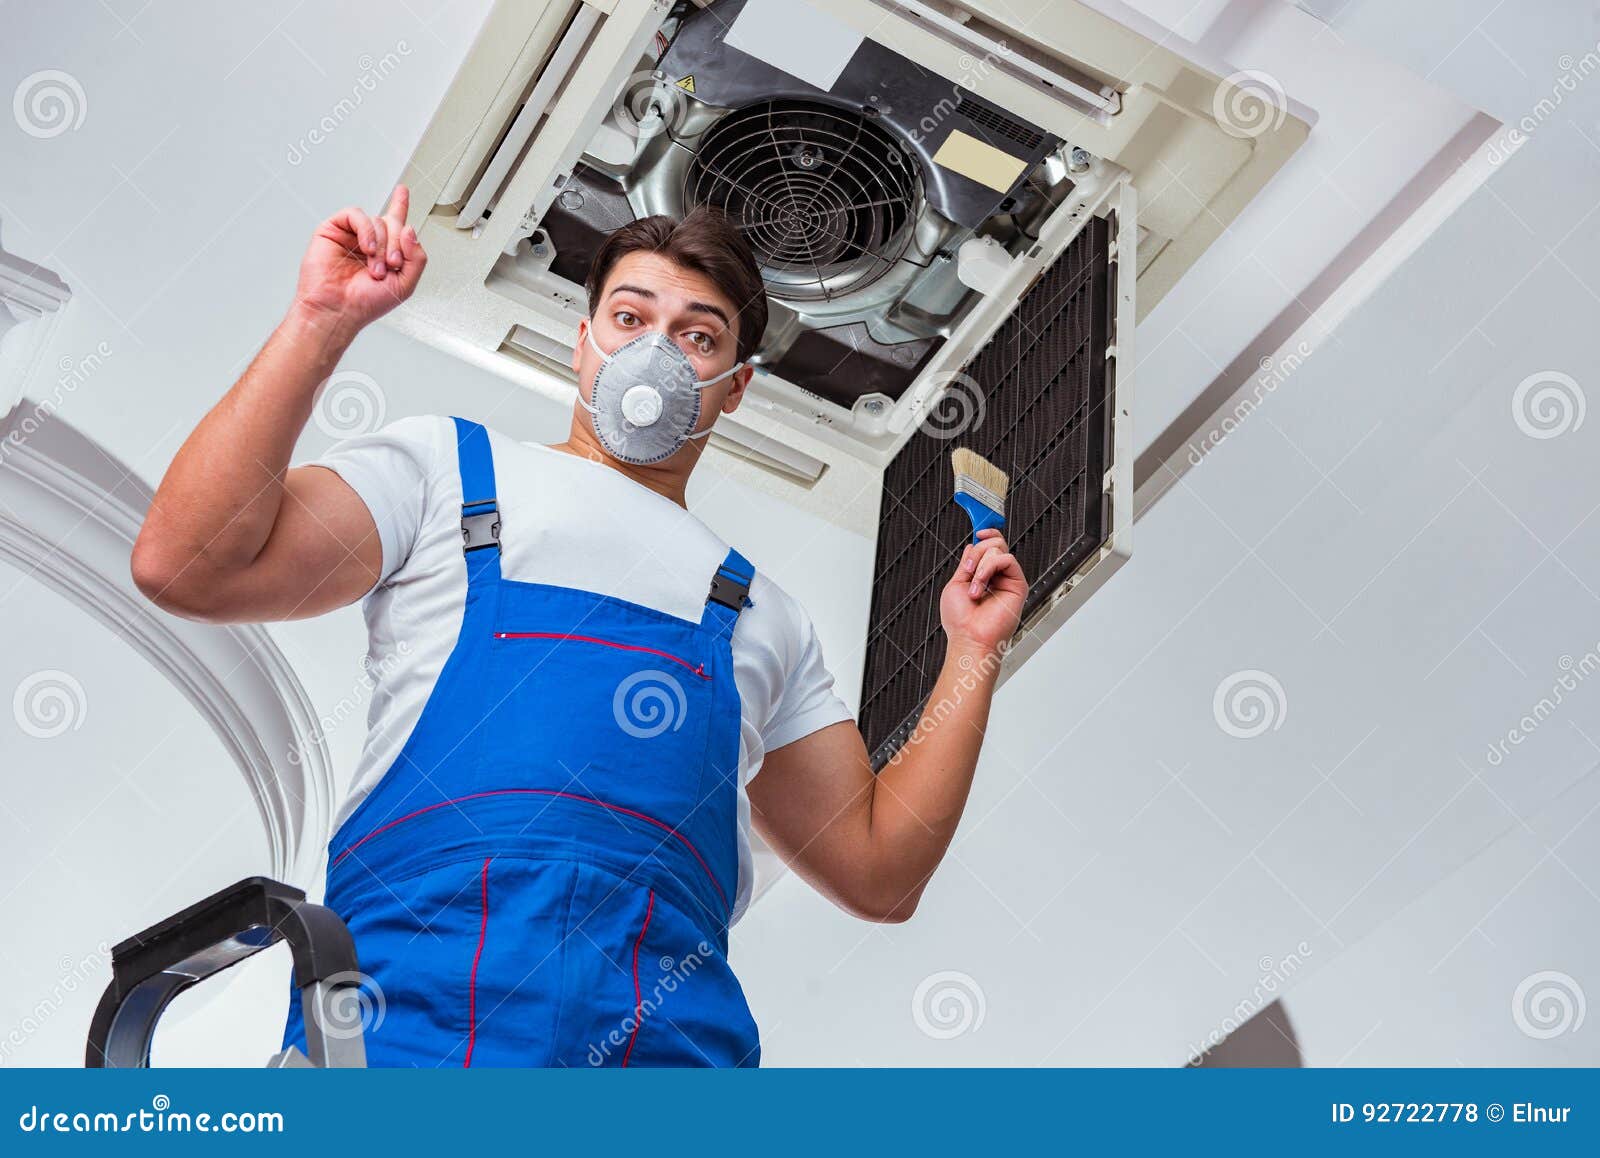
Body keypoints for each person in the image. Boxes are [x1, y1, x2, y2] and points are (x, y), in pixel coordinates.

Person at [131, 184, 1027, 1067]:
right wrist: (320, 323)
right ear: (583, 341)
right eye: (631, 318)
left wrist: (972, 654)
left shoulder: (762, 615)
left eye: (698, 335)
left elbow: (879, 872)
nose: (658, 354)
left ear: (735, 388)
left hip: (667, 1055)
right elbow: (189, 564)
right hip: (407, 1032)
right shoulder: (446, 468)